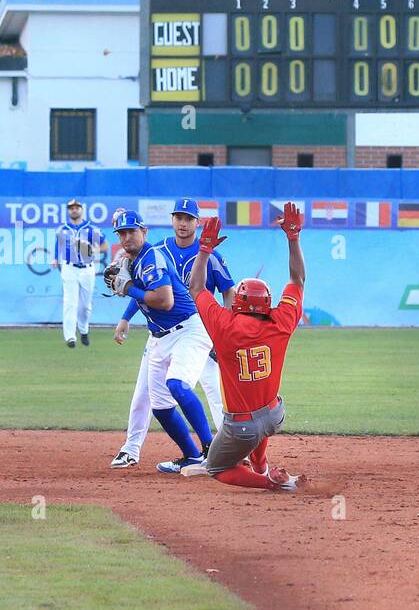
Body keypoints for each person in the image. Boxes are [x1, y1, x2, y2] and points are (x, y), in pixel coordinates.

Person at [185, 203, 307, 491]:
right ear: (267, 302)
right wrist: (293, 237)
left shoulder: (224, 326)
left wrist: (204, 251)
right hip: (275, 415)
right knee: (262, 414)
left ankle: (272, 483)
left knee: (217, 467)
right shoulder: (281, 322)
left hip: (241, 426)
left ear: (238, 303)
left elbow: (196, 288)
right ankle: (261, 463)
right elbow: (297, 279)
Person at [109, 199, 232, 470]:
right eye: (122, 233)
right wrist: (126, 315)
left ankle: (212, 448)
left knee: (180, 385)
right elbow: (139, 290)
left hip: (190, 329)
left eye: (132, 231)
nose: (127, 237)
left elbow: (164, 301)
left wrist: (129, 287)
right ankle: (192, 456)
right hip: (160, 337)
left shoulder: (152, 256)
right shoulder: (135, 259)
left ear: (144, 231)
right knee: (161, 406)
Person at [52, 198, 107, 348]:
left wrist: (94, 250)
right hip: (69, 268)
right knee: (70, 302)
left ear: (81, 210)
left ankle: (83, 330)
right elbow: (58, 246)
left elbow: (105, 245)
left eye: (76, 207)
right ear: (69, 211)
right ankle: (70, 337)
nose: (74, 210)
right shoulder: (63, 229)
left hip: (87, 268)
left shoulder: (91, 229)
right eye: (71, 208)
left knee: (85, 305)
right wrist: (55, 258)